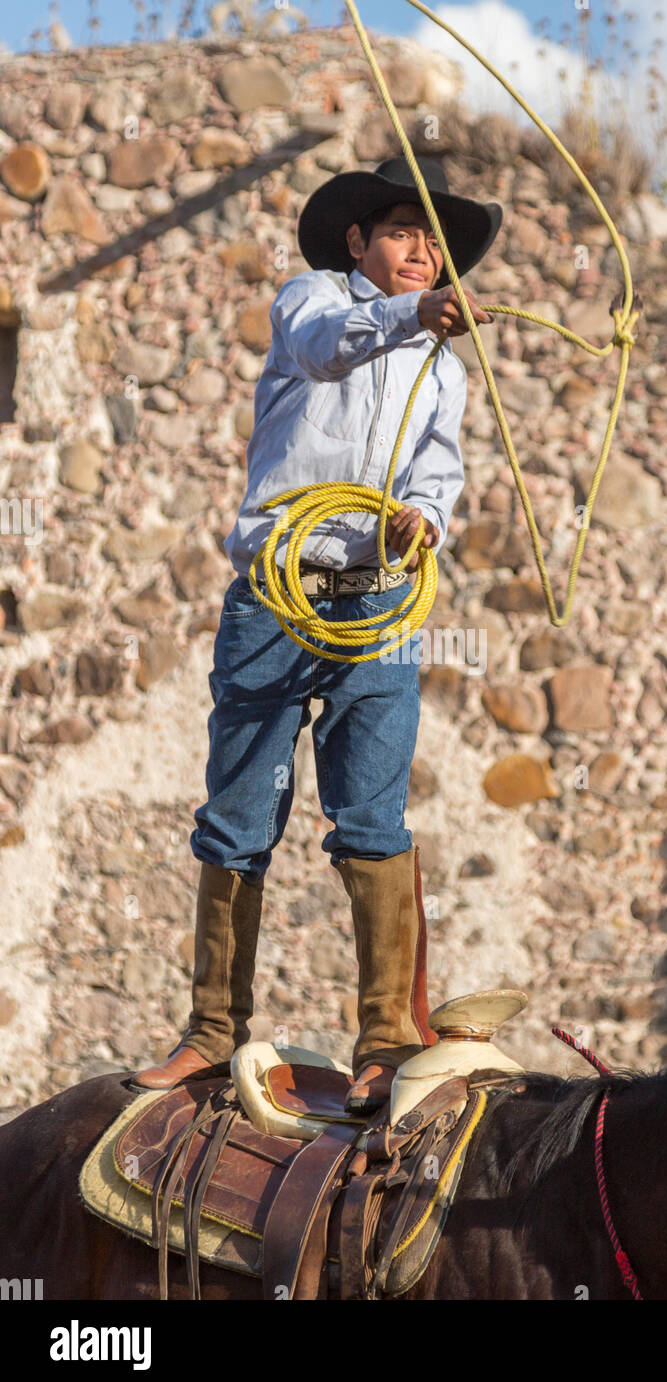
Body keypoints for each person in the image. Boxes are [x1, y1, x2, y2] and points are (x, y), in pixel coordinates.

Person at [133, 156, 502, 1112]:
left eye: (433, 242)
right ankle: (213, 1033)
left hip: (379, 602)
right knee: (238, 815)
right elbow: (327, 348)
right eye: (401, 233)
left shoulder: (442, 368)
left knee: (374, 820)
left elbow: (439, 469)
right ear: (357, 243)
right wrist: (412, 317)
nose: (422, 251)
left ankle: (384, 1040)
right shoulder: (312, 302)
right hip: (276, 589)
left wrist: (421, 516)